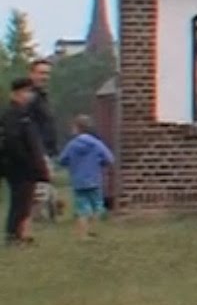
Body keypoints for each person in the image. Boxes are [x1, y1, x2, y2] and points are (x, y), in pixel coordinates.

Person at [2, 78, 47, 245]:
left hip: (24, 165)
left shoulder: (24, 113)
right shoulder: (13, 114)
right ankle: (12, 235)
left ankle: (18, 234)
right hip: (18, 166)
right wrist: (27, 161)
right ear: (17, 93)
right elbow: (13, 140)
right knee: (20, 202)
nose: (29, 95)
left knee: (24, 203)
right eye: (27, 91)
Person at [56, 117, 115, 238]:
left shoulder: (71, 145)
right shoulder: (97, 143)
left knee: (81, 208)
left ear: (77, 128)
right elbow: (110, 159)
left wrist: (71, 163)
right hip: (94, 179)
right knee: (97, 206)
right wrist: (100, 163)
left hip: (78, 181)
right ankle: (94, 230)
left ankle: (83, 235)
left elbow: (61, 160)